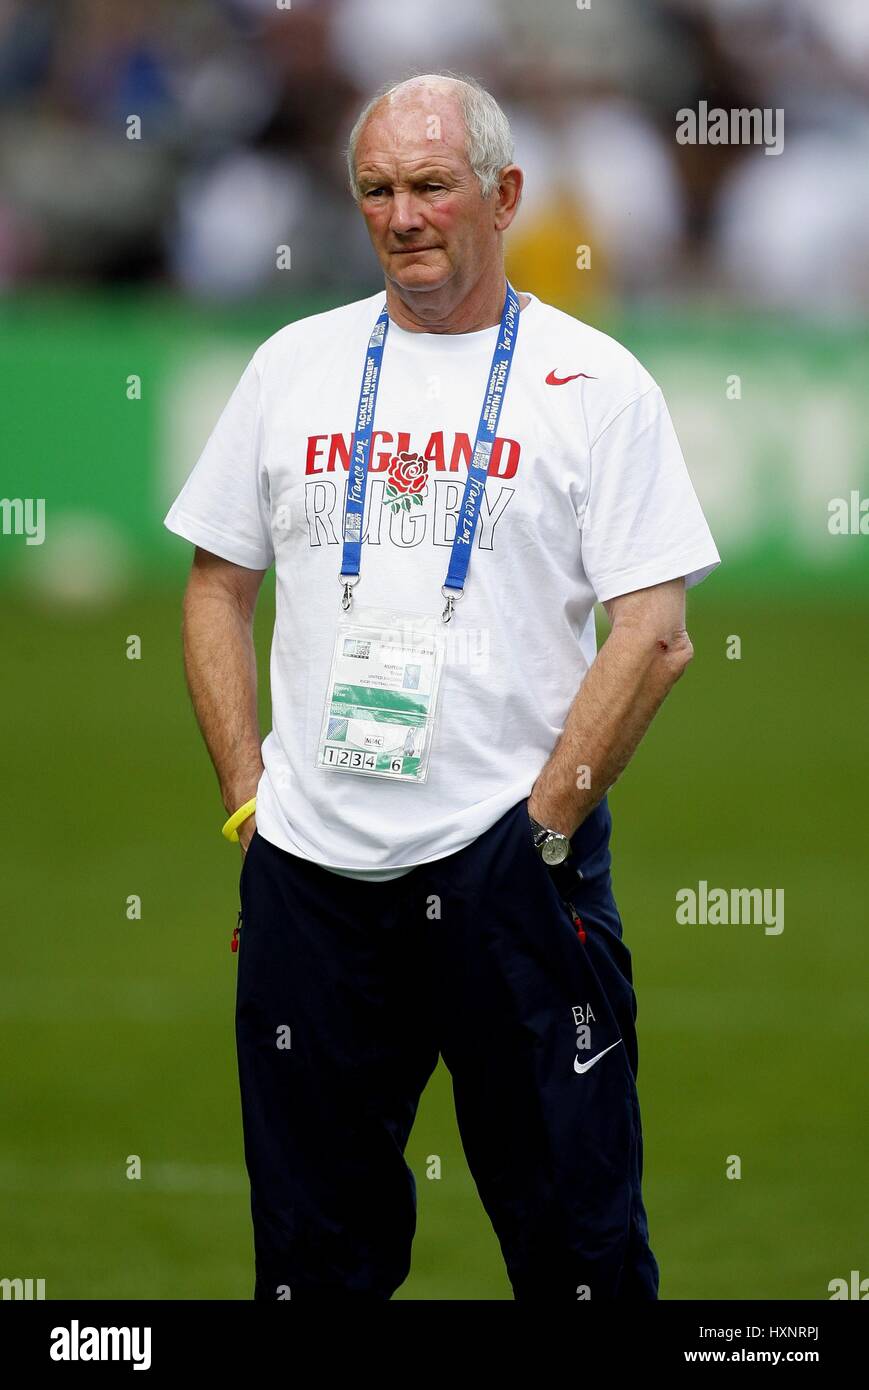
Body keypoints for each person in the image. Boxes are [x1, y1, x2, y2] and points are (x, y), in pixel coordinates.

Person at [163, 71, 720, 1301]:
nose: (402, 215)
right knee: (312, 1261)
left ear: (503, 194)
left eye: (430, 185)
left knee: (577, 1250)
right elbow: (215, 584)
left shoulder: (594, 384)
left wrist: (544, 827)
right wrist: (249, 795)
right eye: (375, 190)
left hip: (507, 868)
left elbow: (655, 630)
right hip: (310, 871)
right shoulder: (292, 365)